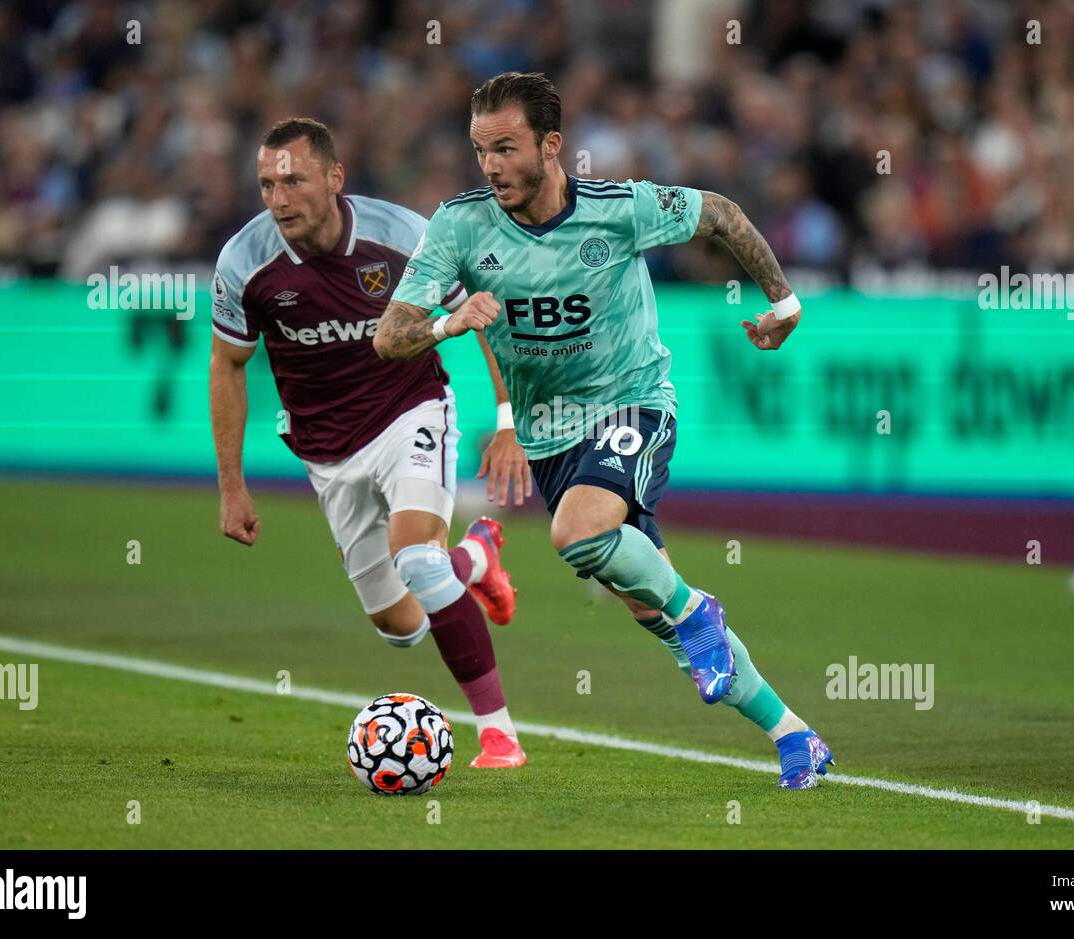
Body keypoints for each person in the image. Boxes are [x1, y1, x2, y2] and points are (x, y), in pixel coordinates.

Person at [375, 74, 833, 788]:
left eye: (506, 147)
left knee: (579, 534)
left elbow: (720, 213)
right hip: (552, 442)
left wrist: (786, 300)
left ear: (551, 145)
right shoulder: (461, 225)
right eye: (479, 149)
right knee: (654, 609)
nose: (489, 164)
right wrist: (446, 322)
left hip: (632, 405)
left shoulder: (618, 209)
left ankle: (698, 609)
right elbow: (388, 335)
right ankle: (794, 733)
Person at [209, 117, 527, 769]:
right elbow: (228, 365)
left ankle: (499, 733)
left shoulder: (404, 236)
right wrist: (232, 485)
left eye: (292, 181)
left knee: (416, 558)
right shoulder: (246, 262)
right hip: (327, 451)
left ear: (333, 178)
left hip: (410, 410)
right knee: (402, 626)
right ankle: (475, 557)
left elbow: (485, 315)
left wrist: (506, 418)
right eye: (267, 183)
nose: (278, 198)